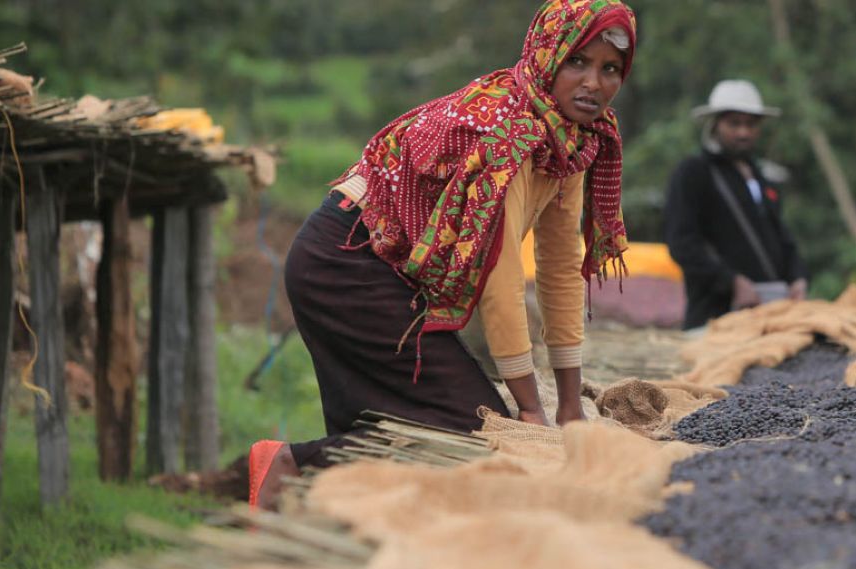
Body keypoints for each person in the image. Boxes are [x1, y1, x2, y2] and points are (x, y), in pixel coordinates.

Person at [247, 0, 637, 510]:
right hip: (347, 259)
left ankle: (311, 510)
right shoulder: (512, 135)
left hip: (380, 269)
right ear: (547, 58)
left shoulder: (572, 140)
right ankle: (286, 468)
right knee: (473, 430)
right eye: (577, 63)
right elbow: (501, 275)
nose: (594, 83)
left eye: (610, 70)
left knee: (399, 426)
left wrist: (568, 403)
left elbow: (561, 267)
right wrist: (530, 414)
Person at [664, 79, 808, 330]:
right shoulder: (693, 172)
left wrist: (798, 277)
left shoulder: (762, 176)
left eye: (750, 124)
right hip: (714, 319)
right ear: (715, 124)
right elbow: (682, 244)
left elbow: (783, 237)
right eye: (734, 124)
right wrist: (731, 282)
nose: (743, 132)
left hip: (770, 316)